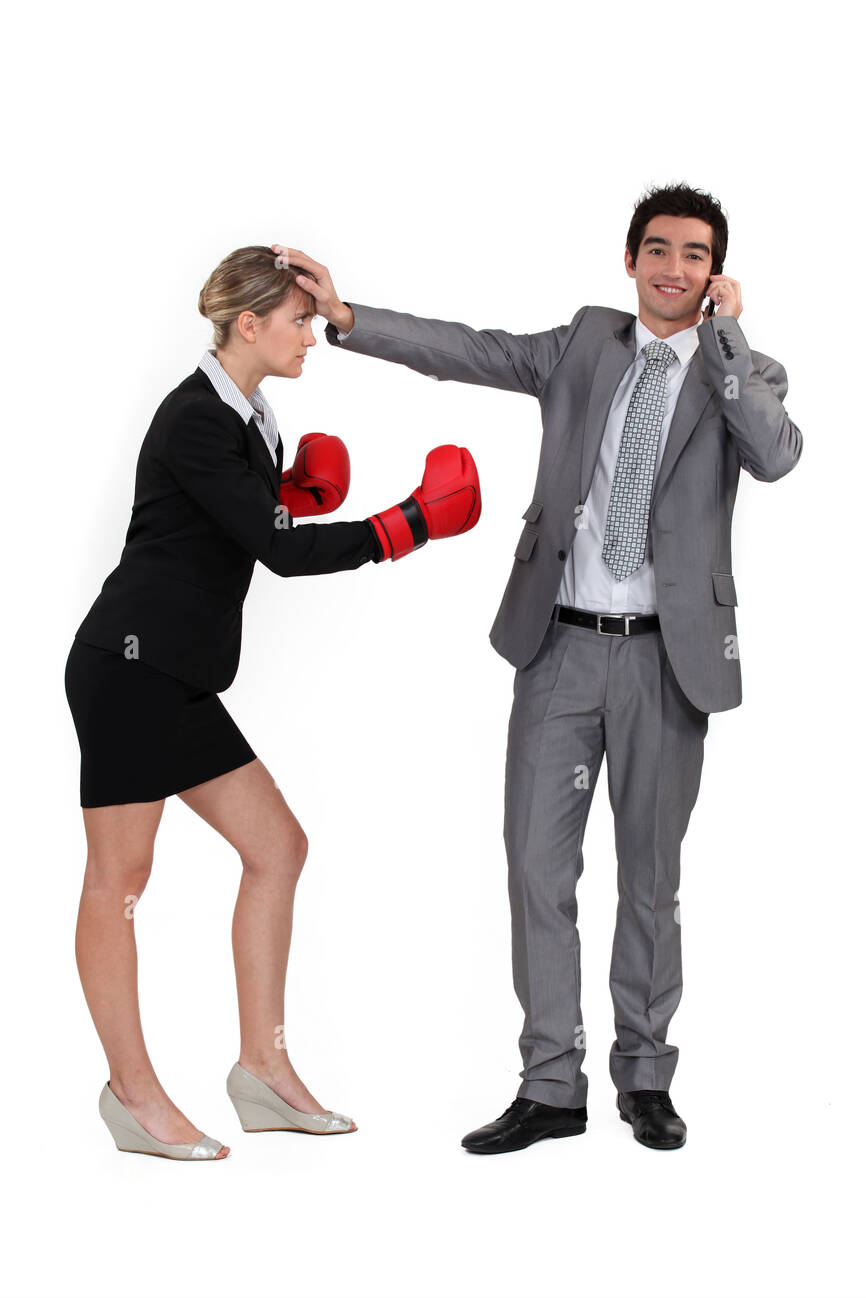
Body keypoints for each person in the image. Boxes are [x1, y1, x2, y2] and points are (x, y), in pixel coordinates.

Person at [273, 180, 804, 1154]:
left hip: (663, 666)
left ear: (715, 272)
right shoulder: (583, 344)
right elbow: (470, 351)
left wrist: (725, 338)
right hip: (558, 648)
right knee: (534, 868)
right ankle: (549, 1084)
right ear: (629, 258)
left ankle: (644, 1075)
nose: (672, 268)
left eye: (693, 254)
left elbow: (772, 456)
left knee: (648, 878)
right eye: (656, 249)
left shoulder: (744, 367)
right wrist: (347, 318)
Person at [65, 244, 480, 1161]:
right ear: (247, 324)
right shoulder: (196, 419)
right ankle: (133, 1097)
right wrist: (406, 523)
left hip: (175, 673)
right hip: (131, 668)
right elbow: (279, 552)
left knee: (277, 847)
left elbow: (237, 526)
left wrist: (288, 493)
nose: (313, 336)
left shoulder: (250, 414)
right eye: (300, 320)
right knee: (120, 883)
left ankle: (262, 1069)